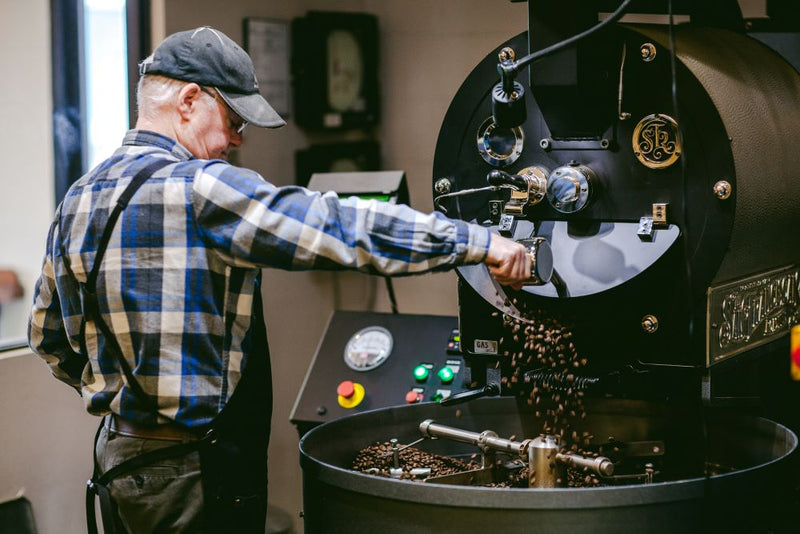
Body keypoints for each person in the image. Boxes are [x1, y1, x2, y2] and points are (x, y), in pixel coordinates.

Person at [27, 26, 530, 533]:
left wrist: (130, 399)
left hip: (119, 458)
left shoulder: (80, 197)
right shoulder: (201, 187)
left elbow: (47, 338)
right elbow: (336, 226)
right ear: (188, 99)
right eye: (233, 119)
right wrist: (479, 243)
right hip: (191, 469)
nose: (237, 140)